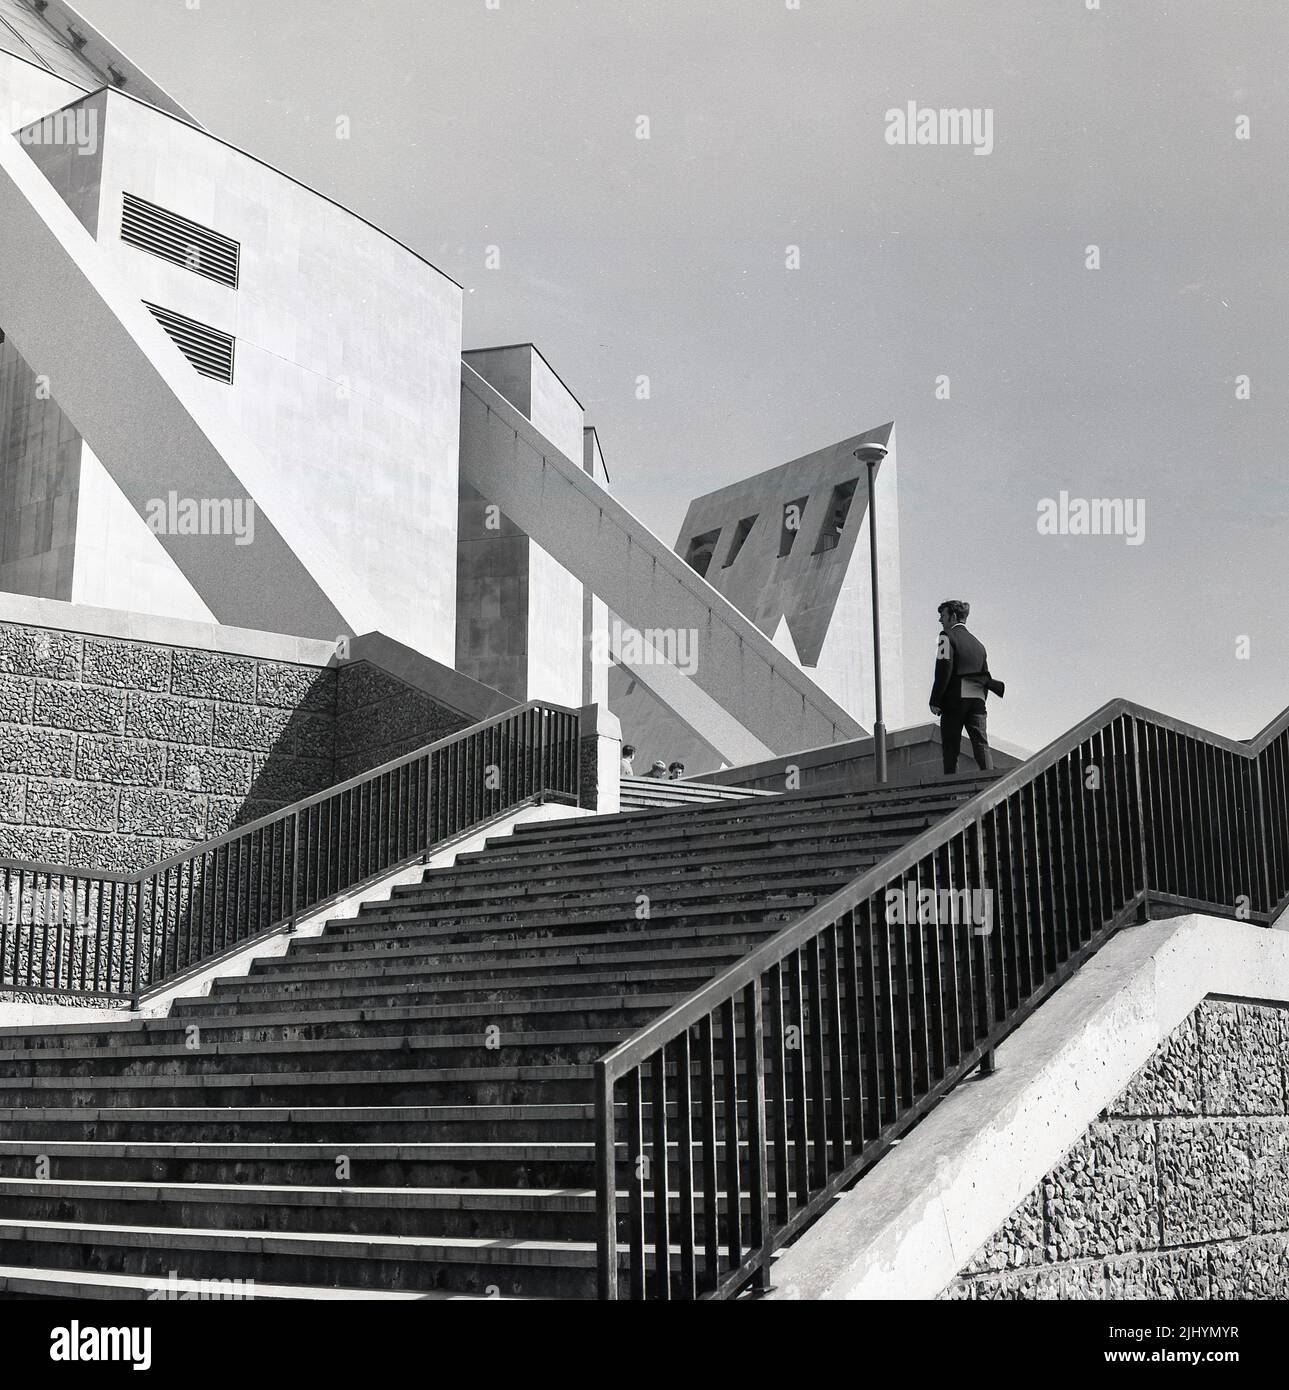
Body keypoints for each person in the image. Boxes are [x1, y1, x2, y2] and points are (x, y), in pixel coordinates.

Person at [929, 599, 1003, 775]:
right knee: (981, 744)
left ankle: (951, 790)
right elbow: (986, 675)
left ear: (953, 617)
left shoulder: (945, 637)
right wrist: (979, 697)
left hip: (954, 699)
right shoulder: (979, 645)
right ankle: (988, 782)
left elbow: (943, 668)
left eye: (943, 616)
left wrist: (935, 700)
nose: (940, 620)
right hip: (976, 698)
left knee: (950, 747)